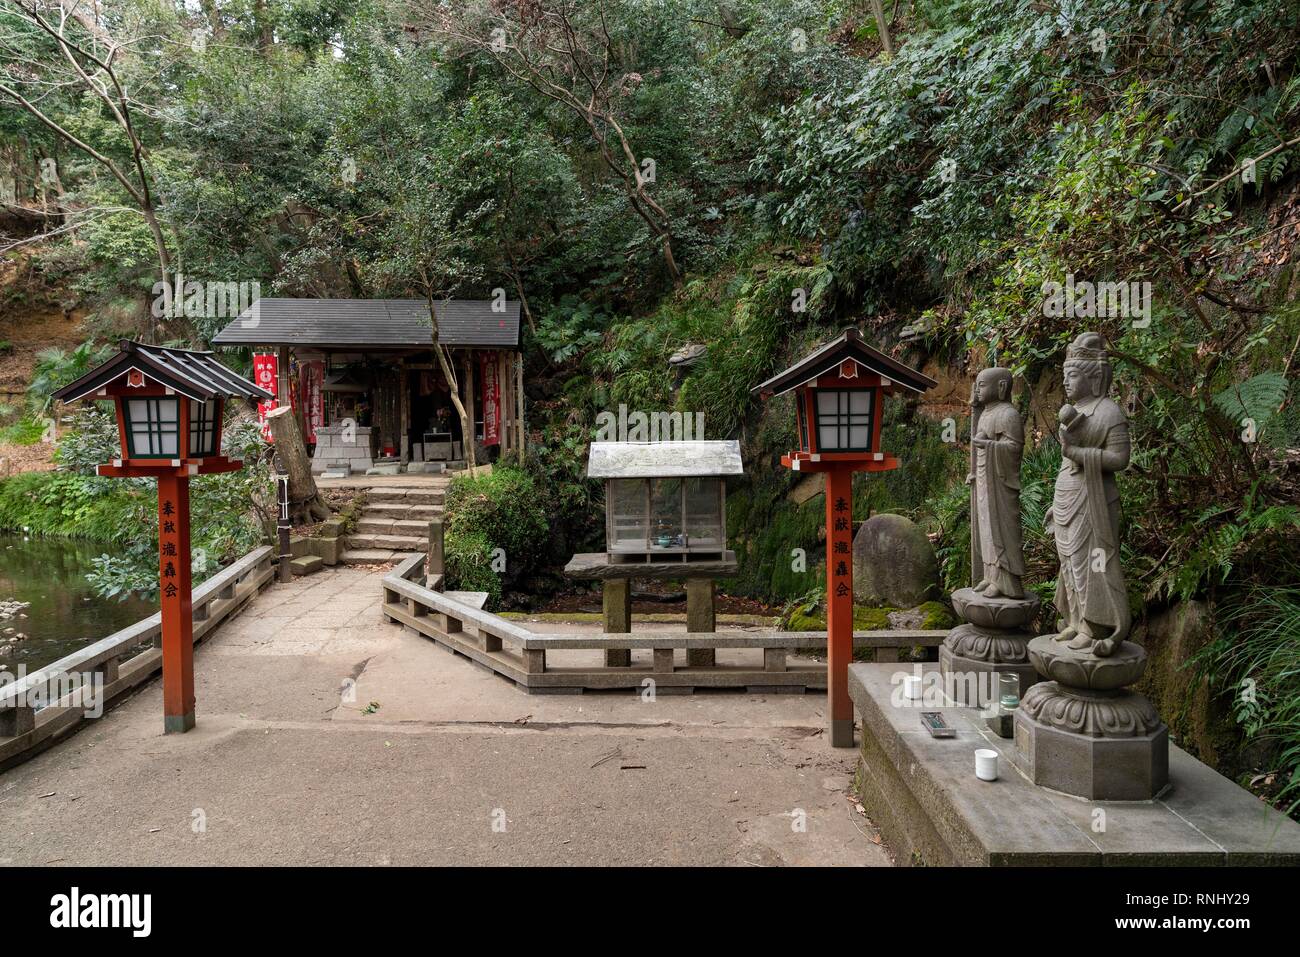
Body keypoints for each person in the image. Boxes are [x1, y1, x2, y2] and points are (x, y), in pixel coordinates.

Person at [1046, 332, 1131, 657]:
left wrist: (1080, 453)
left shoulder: (1108, 412)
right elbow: (1066, 460)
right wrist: (1055, 506)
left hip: (1094, 500)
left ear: (1094, 377)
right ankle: (1075, 617)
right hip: (1068, 495)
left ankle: (1094, 625)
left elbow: (1120, 460)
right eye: (1065, 375)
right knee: (1067, 563)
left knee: (1090, 562)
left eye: (1073, 375)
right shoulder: (1073, 412)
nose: (1066, 382)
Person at [967, 367, 1025, 599]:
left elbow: (1014, 448)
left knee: (1000, 527)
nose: (978, 390)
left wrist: (989, 446)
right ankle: (990, 575)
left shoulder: (1008, 414)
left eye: (982, 385)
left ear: (1001, 387)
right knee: (986, 528)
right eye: (977, 385)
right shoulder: (984, 414)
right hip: (984, 478)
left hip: (1000, 482)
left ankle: (1006, 580)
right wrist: (974, 473)